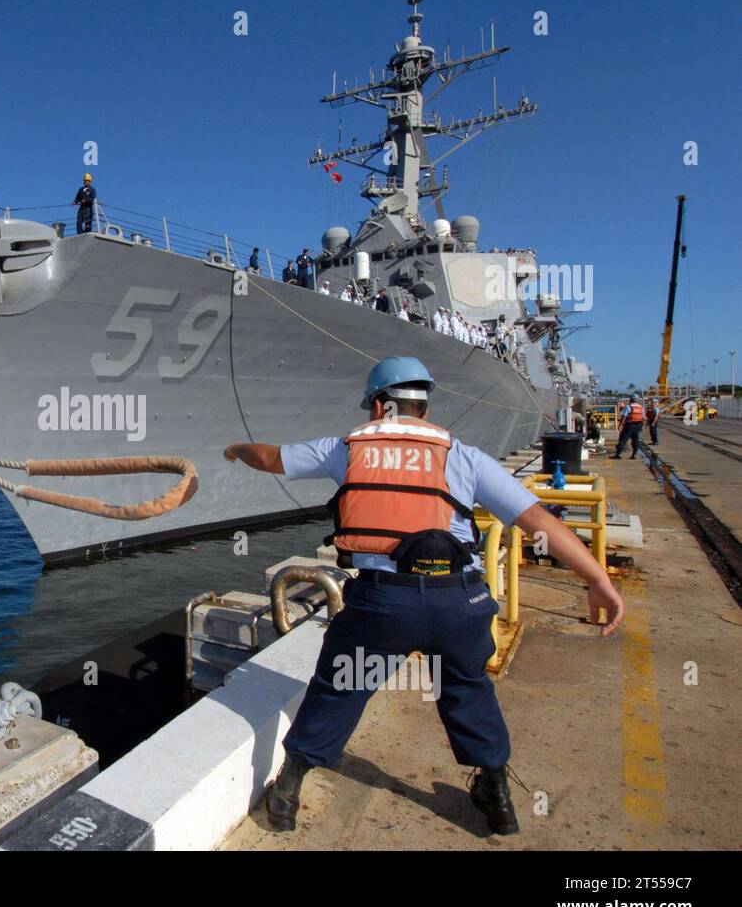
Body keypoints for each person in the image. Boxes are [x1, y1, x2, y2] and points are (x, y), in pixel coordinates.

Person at [223, 356, 624, 835]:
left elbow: (271, 458)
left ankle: (288, 790)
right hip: (460, 602)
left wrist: (236, 449)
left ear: (378, 404)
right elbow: (536, 521)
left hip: (383, 604)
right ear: (422, 407)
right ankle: (496, 795)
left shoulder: (346, 449)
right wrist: (597, 579)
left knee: (340, 687)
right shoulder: (464, 455)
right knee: (466, 687)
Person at [613, 394, 645, 459]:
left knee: (623, 439)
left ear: (630, 400)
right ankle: (634, 455)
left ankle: (618, 454)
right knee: (636, 440)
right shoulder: (641, 407)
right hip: (638, 426)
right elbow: (643, 418)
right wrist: (642, 426)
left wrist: (621, 425)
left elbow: (624, 416)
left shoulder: (628, 407)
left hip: (629, 426)